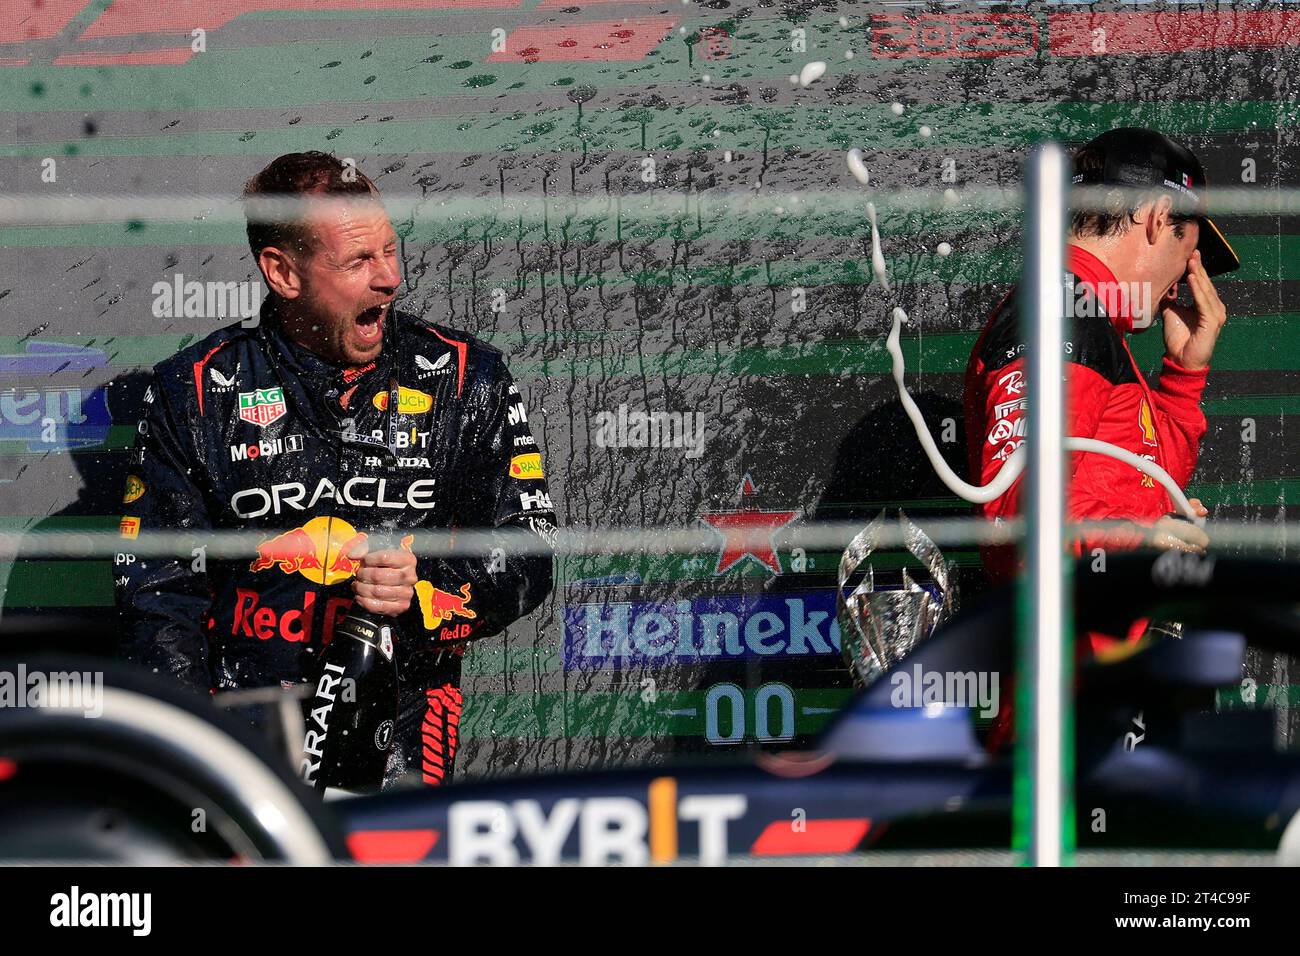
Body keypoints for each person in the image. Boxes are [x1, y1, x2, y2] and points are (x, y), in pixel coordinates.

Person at [115, 152, 557, 787]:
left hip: (401, 732)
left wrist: (424, 590)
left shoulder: (466, 378)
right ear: (283, 273)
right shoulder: (194, 392)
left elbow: (527, 554)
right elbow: (156, 596)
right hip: (244, 741)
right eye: (358, 261)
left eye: (389, 250)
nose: (389, 280)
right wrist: (197, 756)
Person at [964, 128, 1238, 595]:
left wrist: (1183, 375)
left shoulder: (1085, 314)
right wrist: (1142, 537)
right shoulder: (1064, 315)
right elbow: (1019, 511)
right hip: (1068, 658)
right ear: (1157, 218)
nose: (1179, 285)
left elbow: (1149, 477)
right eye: (1188, 252)